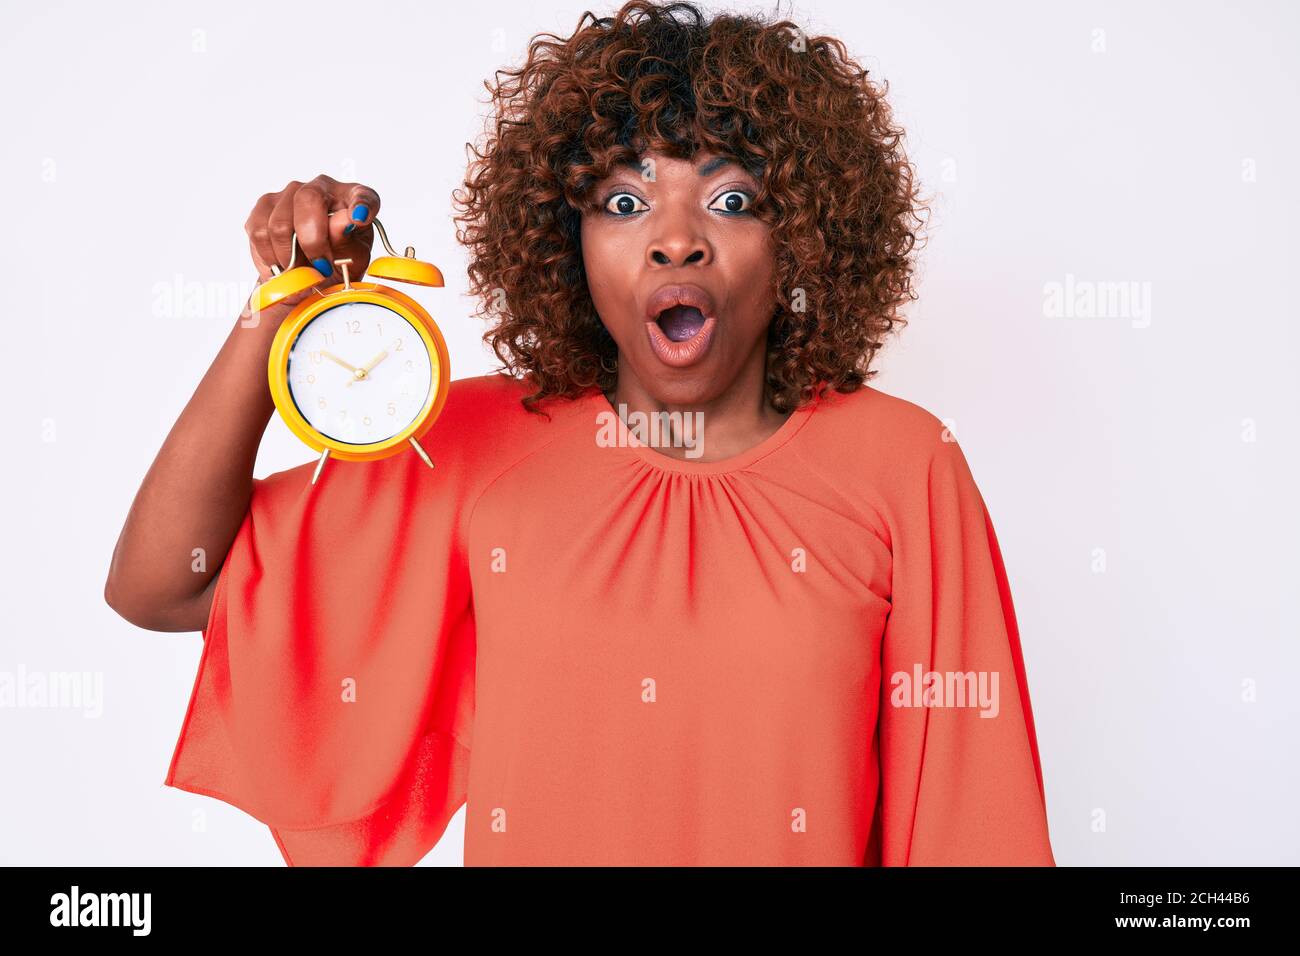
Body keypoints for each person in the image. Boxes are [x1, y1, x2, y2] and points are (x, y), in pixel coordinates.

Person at [105, 0, 1055, 866]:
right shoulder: (481, 445)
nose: (675, 239)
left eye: (732, 201)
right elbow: (162, 583)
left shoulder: (901, 464)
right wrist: (284, 312)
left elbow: (971, 822)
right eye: (624, 201)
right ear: (567, 243)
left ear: (803, 235)